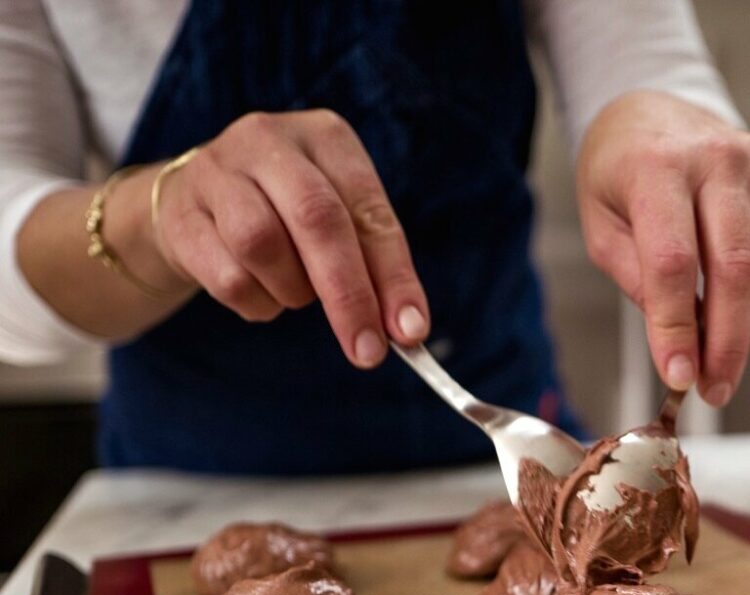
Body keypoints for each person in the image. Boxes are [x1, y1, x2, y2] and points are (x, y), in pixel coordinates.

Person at [0, 0, 747, 474]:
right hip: (188, 482)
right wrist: (157, 216)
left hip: (508, 446)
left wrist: (657, 116)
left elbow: (640, 53)